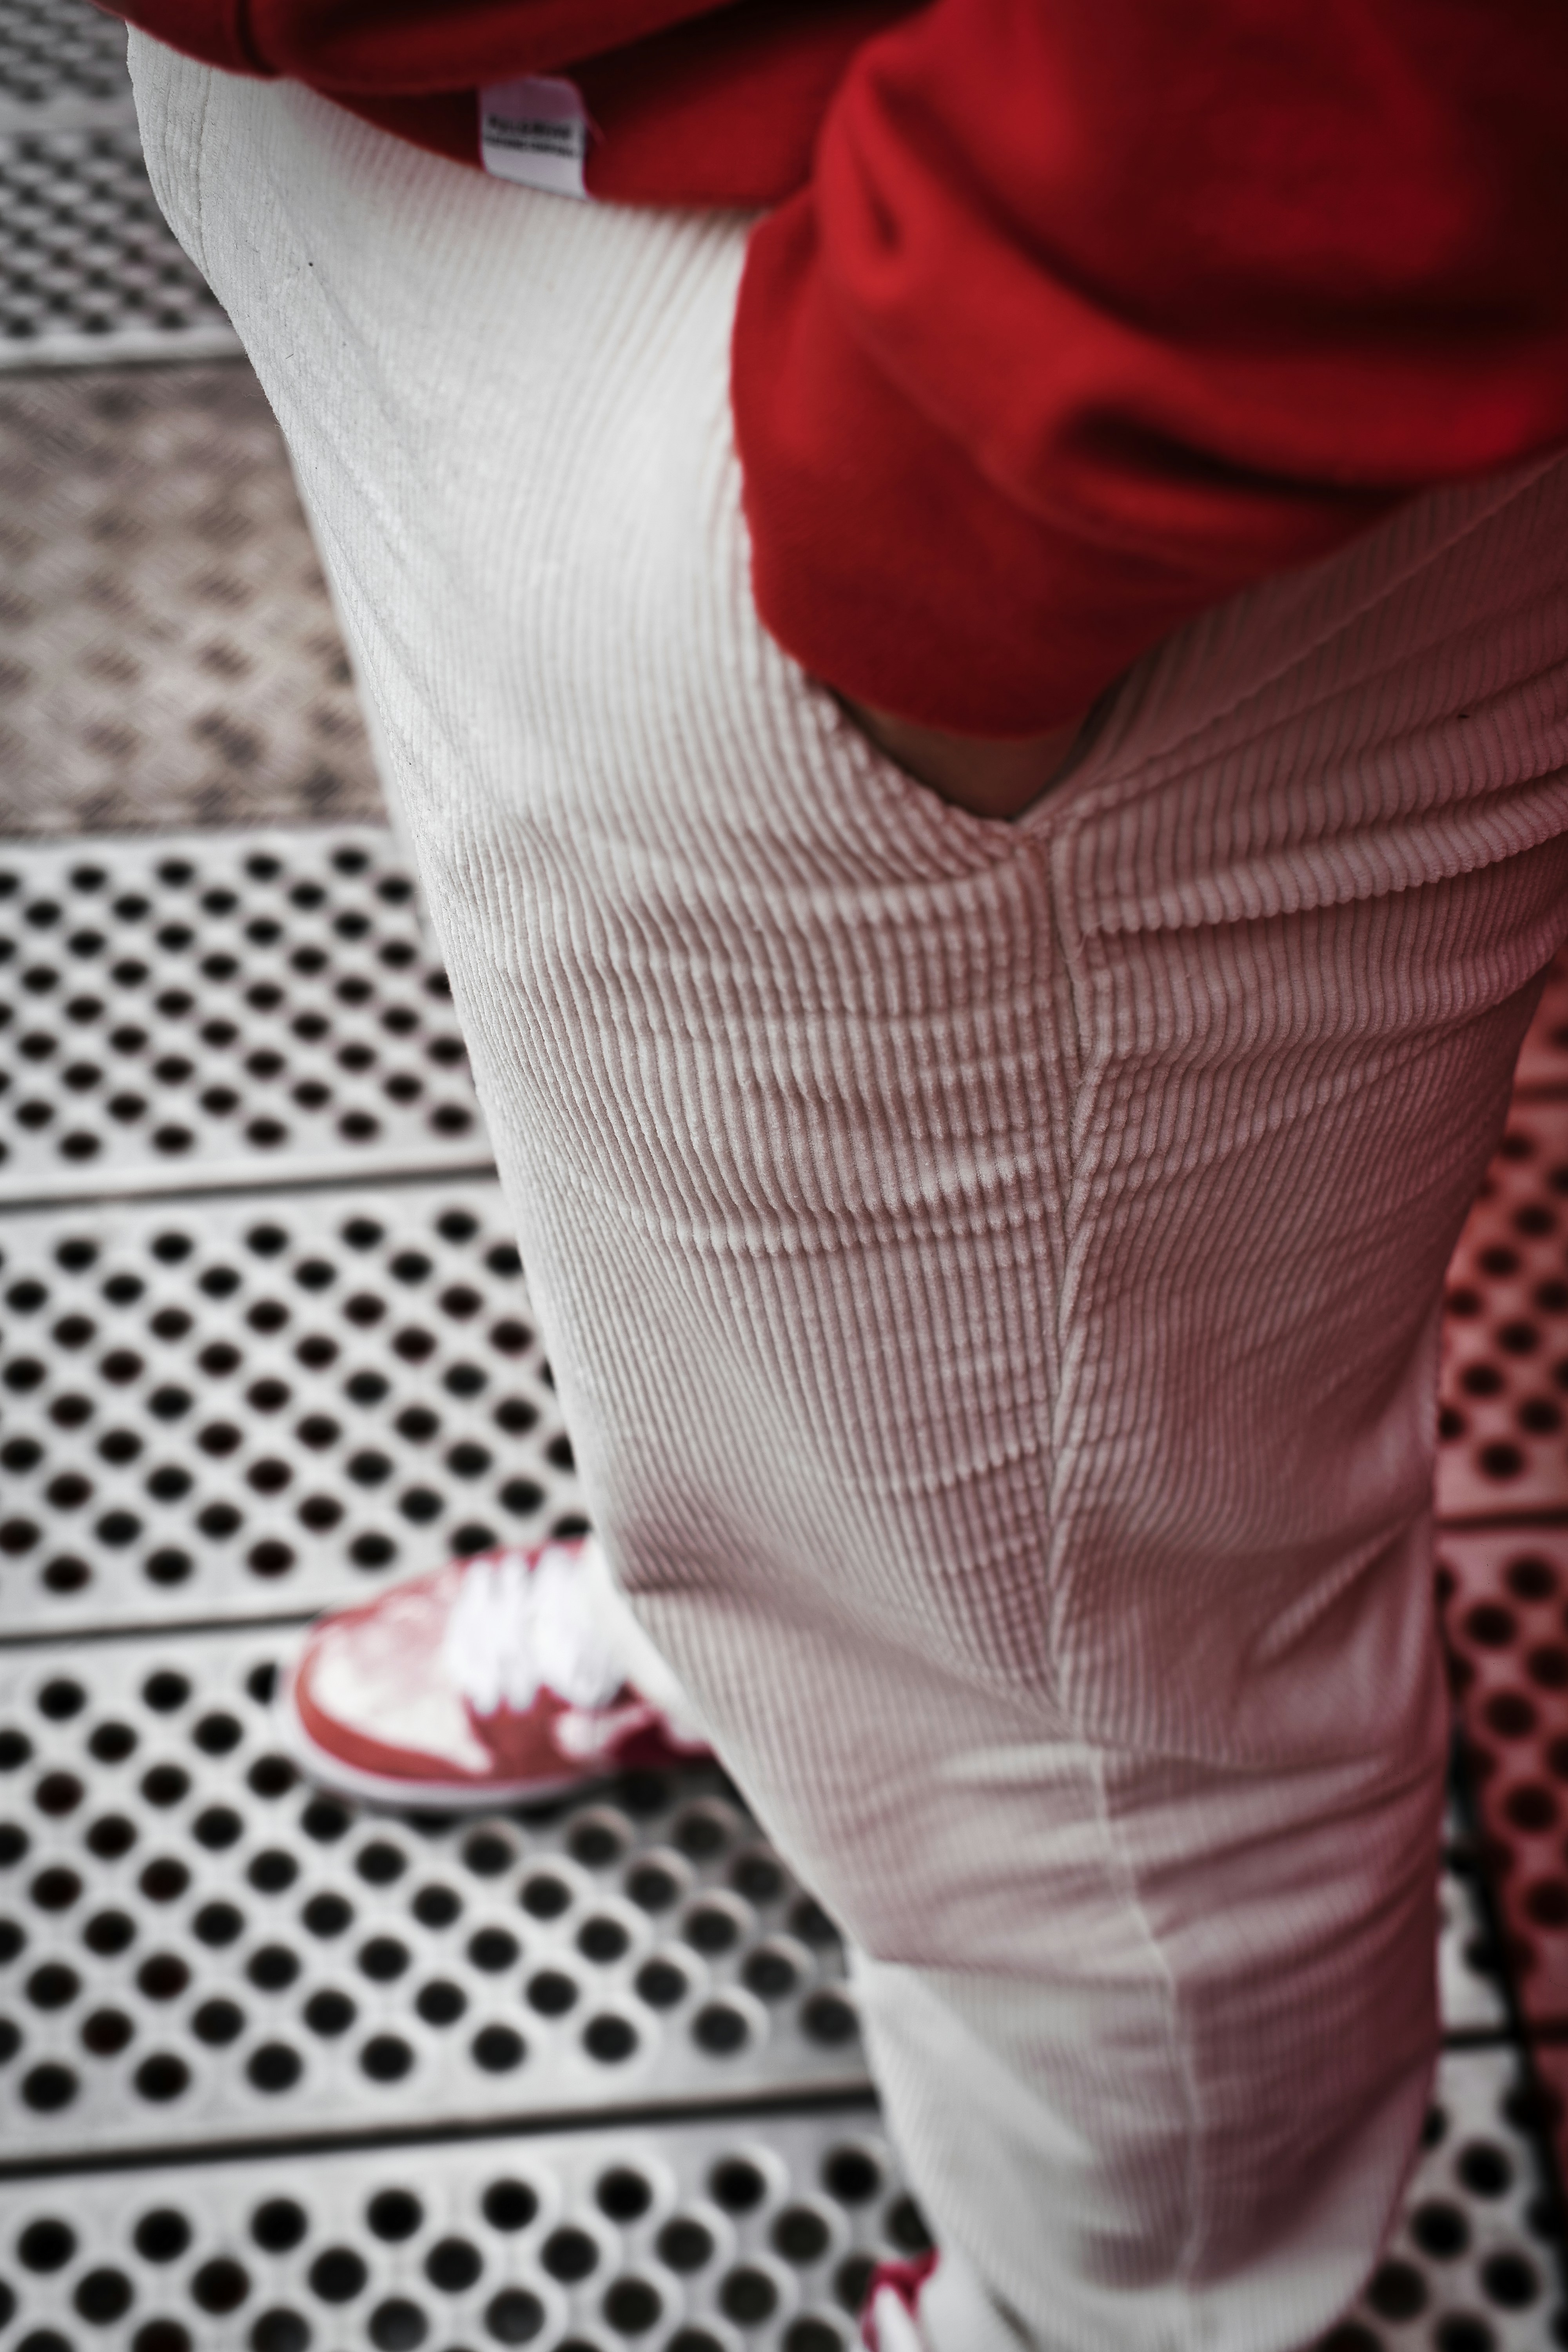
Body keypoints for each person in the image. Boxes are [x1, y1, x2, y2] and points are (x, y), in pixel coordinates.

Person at [109, 4, 1568, 2345]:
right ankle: (796, 1594)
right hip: (451, 114)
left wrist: (969, 462)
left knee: (1109, 1700)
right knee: (829, 1405)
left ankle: (1142, 2311)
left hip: (960, 338)